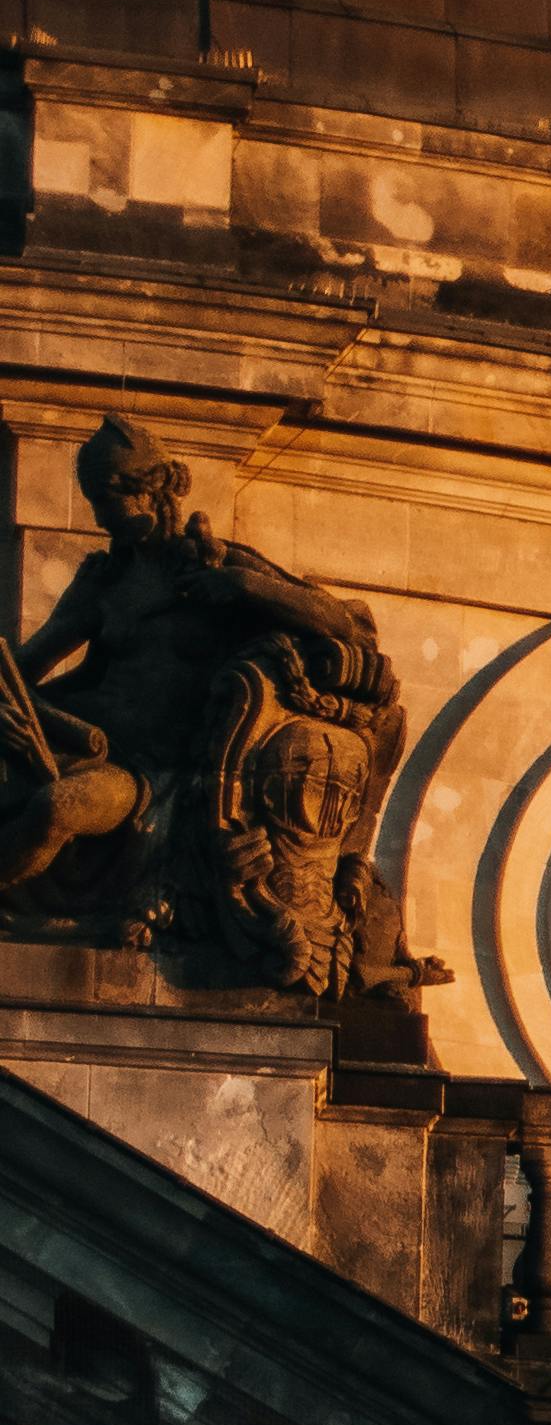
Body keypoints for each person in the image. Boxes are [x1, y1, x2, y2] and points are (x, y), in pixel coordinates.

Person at [0, 412, 411, 999]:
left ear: (154, 488)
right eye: (94, 496)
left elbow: (347, 625)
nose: (100, 512)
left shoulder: (218, 566)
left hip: (153, 775)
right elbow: (28, 665)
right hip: (81, 738)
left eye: (111, 494)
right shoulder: (103, 582)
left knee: (58, 810)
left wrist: (245, 590)